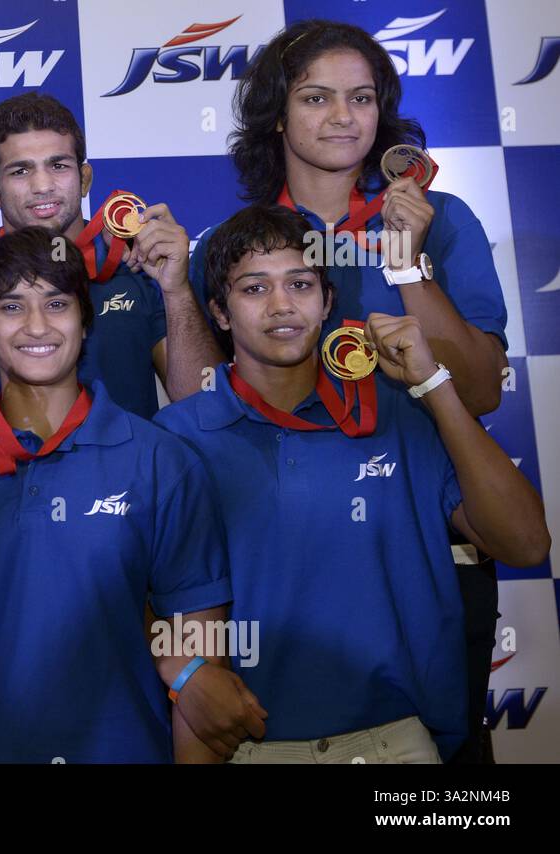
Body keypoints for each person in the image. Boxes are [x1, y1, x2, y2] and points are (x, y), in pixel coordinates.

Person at [189, 18, 515, 762]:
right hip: (287, 559)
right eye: (317, 97)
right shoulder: (241, 242)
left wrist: (410, 269)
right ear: (278, 114)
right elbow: (207, 407)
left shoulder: (442, 222)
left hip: (431, 547)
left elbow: (484, 391)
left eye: (362, 97)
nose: (343, 116)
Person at [155, 205, 549, 762]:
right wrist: (186, 667)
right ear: (219, 313)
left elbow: (526, 543)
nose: (281, 305)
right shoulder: (177, 437)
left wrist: (434, 385)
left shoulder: (397, 413)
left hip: (400, 742)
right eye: (253, 288)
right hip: (251, 743)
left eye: (300, 283)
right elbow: (126, 591)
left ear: (328, 300)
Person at [0, 227, 267, 762]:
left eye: (57, 303)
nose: (37, 326)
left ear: (85, 322)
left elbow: (201, 670)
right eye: (11, 306)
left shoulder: (159, 459)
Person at [0, 93, 224, 415]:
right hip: (1, 466)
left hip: (132, 466)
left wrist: (176, 291)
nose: (43, 185)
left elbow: (207, 409)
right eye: (20, 171)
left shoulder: (138, 265)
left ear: (85, 178)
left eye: (58, 165)